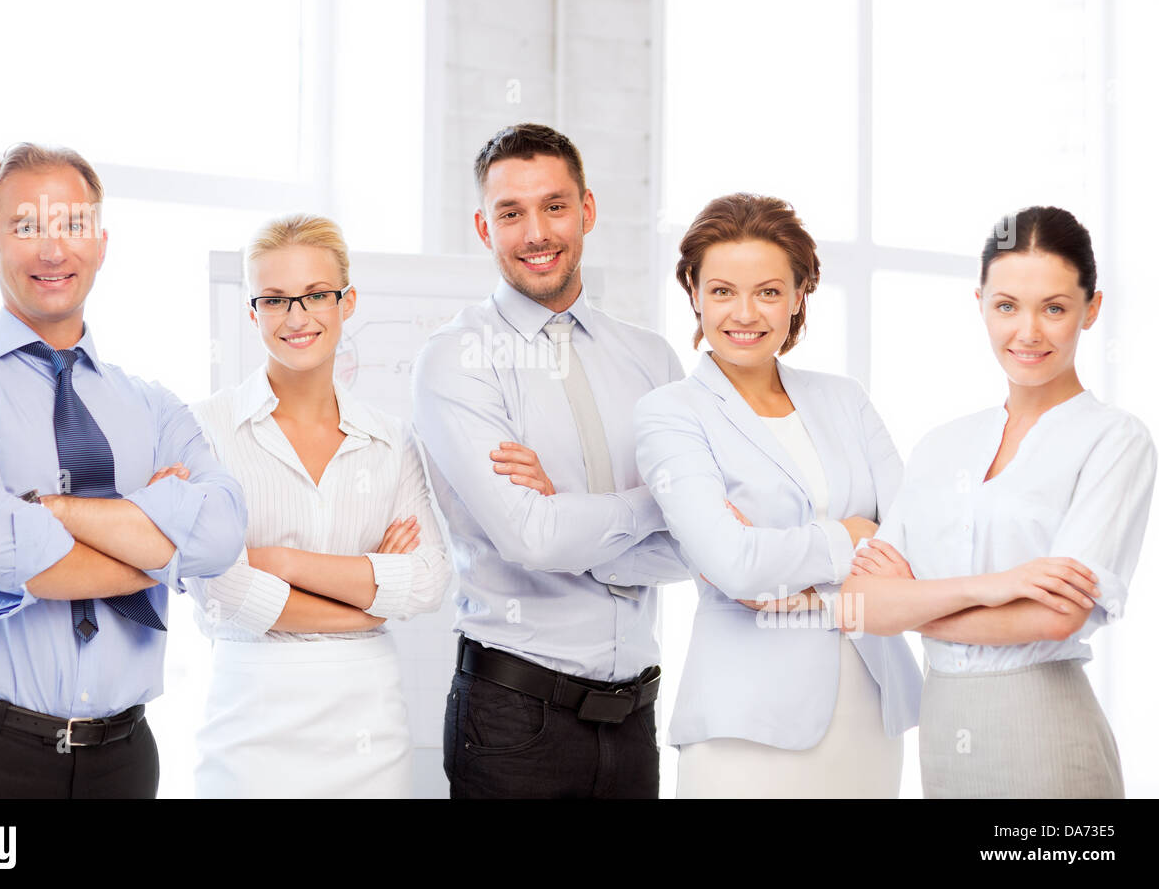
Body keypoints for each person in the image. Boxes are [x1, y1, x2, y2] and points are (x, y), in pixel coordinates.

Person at [0, 143, 247, 798]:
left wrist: (47, 512)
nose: (54, 250)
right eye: (26, 226)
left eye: (73, 225)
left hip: (123, 759)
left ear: (102, 243)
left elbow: (221, 538)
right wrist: (158, 541)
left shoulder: (156, 407)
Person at [838, 205, 1156, 798]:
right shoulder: (942, 446)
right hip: (943, 732)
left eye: (1055, 308)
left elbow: (1057, 614)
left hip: (1047, 735)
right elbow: (859, 603)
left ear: (1092, 310)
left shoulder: (1115, 440)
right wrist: (991, 587)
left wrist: (909, 604)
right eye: (1007, 306)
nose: (1028, 332)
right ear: (980, 303)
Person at [412, 123, 688, 799]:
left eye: (555, 206)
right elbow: (528, 538)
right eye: (512, 213)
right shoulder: (456, 360)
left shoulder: (652, 360)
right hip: (514, 724)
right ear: (484, 227)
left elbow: (696, 545)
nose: (536, 232)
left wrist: (571, 512)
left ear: (587, 210)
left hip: (634, 724)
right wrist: (652, 506)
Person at [633, 193, 922, 797]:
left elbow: (913, 540)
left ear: (797, 296)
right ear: (692, 291)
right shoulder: (671, 413)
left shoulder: (845, 398)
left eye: (767, 291)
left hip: (871, 709)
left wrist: (782, 582)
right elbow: (734, 564)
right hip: (746, 725)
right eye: (721, 291)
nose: (745, 313)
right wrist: (852, 535)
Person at [187, 214, 450, 798]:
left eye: (316, 296)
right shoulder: (206, 430)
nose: (297, 317)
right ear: (251, 311)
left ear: (347, 302)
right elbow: (218, 587)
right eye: (275, 300)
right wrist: (366, 601)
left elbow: (428, 580)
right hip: (249, 716)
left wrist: (281, 562)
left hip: (366, 721)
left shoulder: (390, 439)